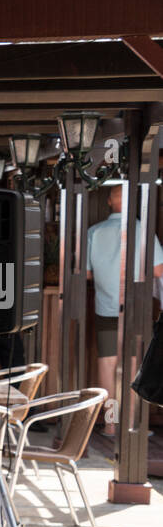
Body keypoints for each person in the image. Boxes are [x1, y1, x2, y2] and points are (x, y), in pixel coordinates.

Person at [88, 183, 163, 437]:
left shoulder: (94, 232)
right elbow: (158, 270)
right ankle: (130, 423)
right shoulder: (142, 230)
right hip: (136, 308)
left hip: (105, 307)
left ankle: (110, 424)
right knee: (132, 365)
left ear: (109, 201)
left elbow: (86, 273)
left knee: (107, 366)